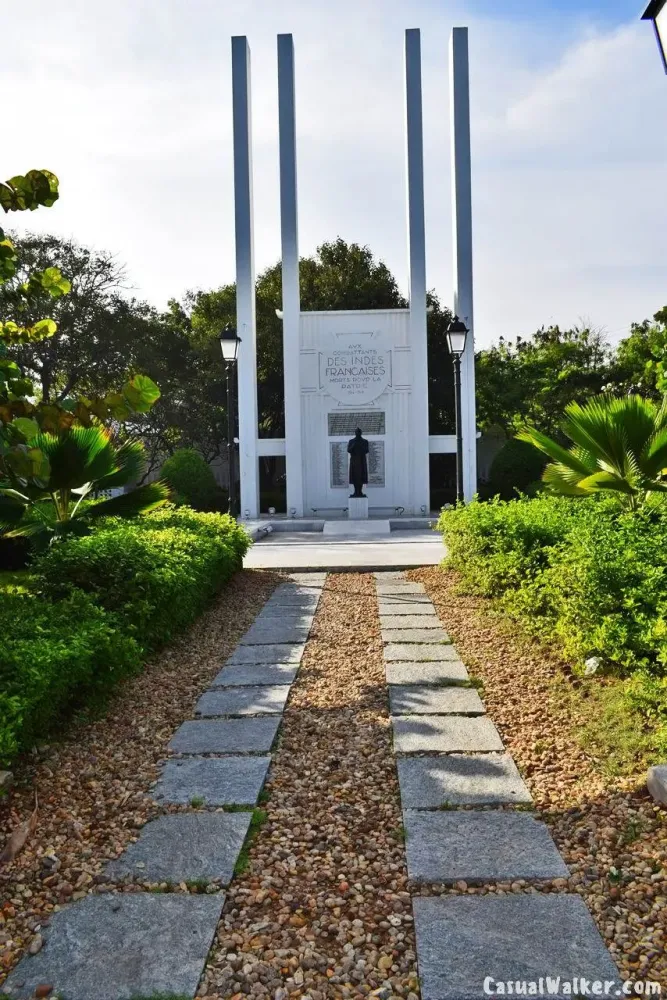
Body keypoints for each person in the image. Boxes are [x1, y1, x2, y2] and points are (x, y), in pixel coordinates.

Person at [347, 428, 369, 498]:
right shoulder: (351, 441)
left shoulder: (365, 441)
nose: (358, 433)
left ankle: (360, 492)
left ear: (361, 433)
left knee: (361, 476)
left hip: (362, 461)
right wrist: (354, 445)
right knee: (354, 477)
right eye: (357, 432)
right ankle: (356, 492)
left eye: (359, 432)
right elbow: (349, 450)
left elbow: (366, 450)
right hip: (354, 461)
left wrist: (360, 445)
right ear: (355, 433)